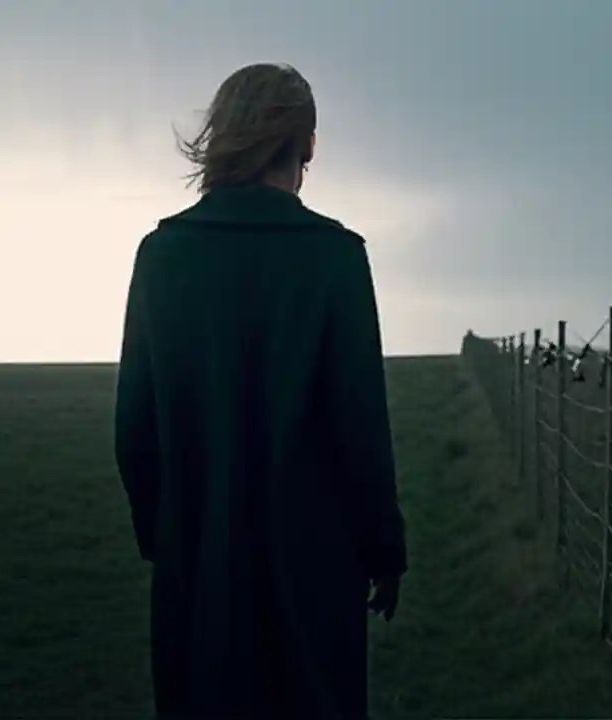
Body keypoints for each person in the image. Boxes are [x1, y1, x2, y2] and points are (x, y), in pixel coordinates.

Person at [114, 63, 407, 720]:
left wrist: (170, 537)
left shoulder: (161, 255)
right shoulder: (335, 256)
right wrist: (383, 549)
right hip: (316, 572)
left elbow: (134, 425)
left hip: (200, 574)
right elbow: (362, 426)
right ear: (304, 144)